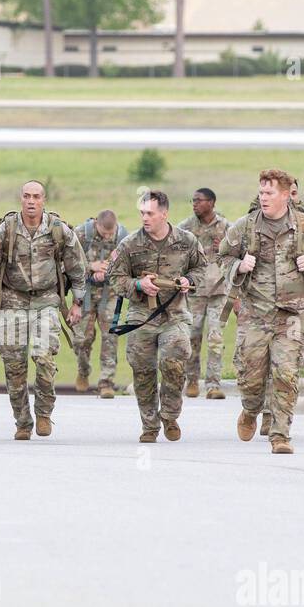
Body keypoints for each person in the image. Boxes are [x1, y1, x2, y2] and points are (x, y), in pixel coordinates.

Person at [219, 169, 304, 454]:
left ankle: (280, 434)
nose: (263, 198)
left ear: (286, 195)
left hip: (291, 315)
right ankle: (250, 410)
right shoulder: (244, 227)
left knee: (286, 374)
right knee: (251, 378)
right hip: (254, 315)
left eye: (269, 193)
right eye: (261, 192)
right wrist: (238, 266)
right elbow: (222, 255)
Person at [0, 180, 86, 439]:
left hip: (46, 300)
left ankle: (43, 413)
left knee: (44, 357)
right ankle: (22, 421)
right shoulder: (7, 229)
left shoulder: (57, 229)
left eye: (36, 196)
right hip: (12, 301)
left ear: (43, 199)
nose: (31, 201)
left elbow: (77, 264)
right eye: (26, 196)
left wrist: (78, 302)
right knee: (14, 366)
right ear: (21, 199)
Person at [107, 190, 207, 443]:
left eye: (150, 213)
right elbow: (115, 279)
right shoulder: (130, 244)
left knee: (174, 361)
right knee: (142, 371)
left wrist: (189, 280)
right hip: (142, 316)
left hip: (175, 315)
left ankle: (170, 415)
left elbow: (202, 268)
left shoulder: (187, 241)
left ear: (164, 214)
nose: (145, 218)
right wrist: (138, 285)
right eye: (142, 213)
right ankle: (149, 425)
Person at [177, 188, 231, 399]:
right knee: (193, 336)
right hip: (194, 292)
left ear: (212, 202)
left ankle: (213, 385)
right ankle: (191, 380)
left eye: (199, 200)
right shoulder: (185, 228)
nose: (195, 204)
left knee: (216, 337)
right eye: (193, 200)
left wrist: (224, 248)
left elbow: (240, 254)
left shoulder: (227, 227)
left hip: (219, 290)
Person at [72, 208, 128, 398]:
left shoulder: (122, 237)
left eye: (110, 234)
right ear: (96, 224)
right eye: (104, 233)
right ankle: (83, 370)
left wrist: (108, 272)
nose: (107, 237)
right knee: (82, 339)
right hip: (84, 294)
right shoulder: (81, 234)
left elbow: (128, 266)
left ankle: (106, 382)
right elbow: (67, 263)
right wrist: (90, 267)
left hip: (110, 294)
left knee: (110, 337)